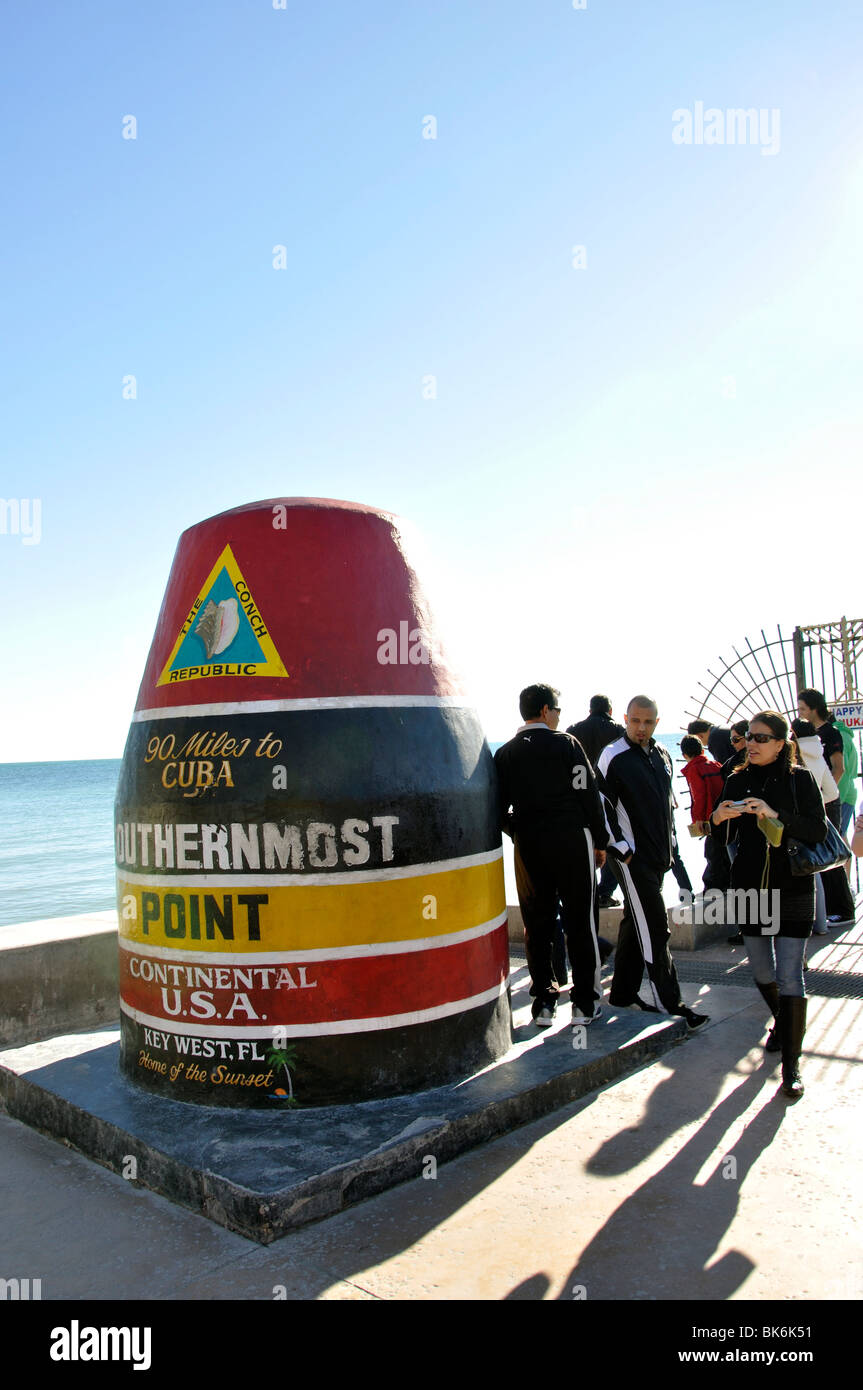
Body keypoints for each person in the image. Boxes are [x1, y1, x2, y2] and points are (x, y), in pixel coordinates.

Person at [711, 710, 827, 1099]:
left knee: (791, 974)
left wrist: (774, 813)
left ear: (781, 743)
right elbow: (720, 832)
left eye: (762, 738)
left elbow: (818, 829)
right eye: (748, 737)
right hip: (750, 887)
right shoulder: (736, 778)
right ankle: (784, 1022)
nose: (752, 744)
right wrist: (720, 815)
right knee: (762, 971)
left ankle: (791, 1066)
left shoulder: (801, 780)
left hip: (793, 885)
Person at [495, 684, 609, 1027]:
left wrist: (520, 831)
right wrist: (600, 841)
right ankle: (585, 1004)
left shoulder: (505, 754)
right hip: (572, 841)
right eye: (557, 709)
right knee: (580, 922)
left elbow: (498, 810)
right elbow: (588, 794)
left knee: (537, 924)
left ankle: (543, 1002)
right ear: (545, 710)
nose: (560, 715)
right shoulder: (566, 745)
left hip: (529, 846)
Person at [596, 695, 708, 1028]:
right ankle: (671, 1004)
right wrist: (621, 847)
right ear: (625, 719)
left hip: (659, 856)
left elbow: (666, 806)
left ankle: (622, 994)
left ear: (657, 723)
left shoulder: (661, 755)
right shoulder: (612, 756)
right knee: (656, 929)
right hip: (632, 860)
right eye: (635, 721)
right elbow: (600, 805)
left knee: (636, 922)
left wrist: (672, 848)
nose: (641, 728)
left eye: (648, 722)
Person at [567, 695, 625, 908]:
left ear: (590, 709)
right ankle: (604, 891)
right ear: (610, 710)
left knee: (586, 844)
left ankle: (586, 891)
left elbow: (570, 768)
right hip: (611, 796)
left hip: (581, 795)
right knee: (611, 842)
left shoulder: (573, 730)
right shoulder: (618, 730)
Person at [791, 718, 839, 934]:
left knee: (796, 875)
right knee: (814, 872)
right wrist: (816, 804)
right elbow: (832, 792)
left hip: (793, 822)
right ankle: (821, 925)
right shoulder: (819, 754)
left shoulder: (791, 756)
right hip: (814, 821)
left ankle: (802, 927)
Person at [680, 734, 725, 891]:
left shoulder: (694, 769)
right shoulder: (716, 765)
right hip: (724, 816)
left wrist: (698, 819)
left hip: (709, 818)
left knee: (712, 853)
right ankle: (723, 884)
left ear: (684, 755)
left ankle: (712, 887)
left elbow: (698, 795)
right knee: (721, 852)